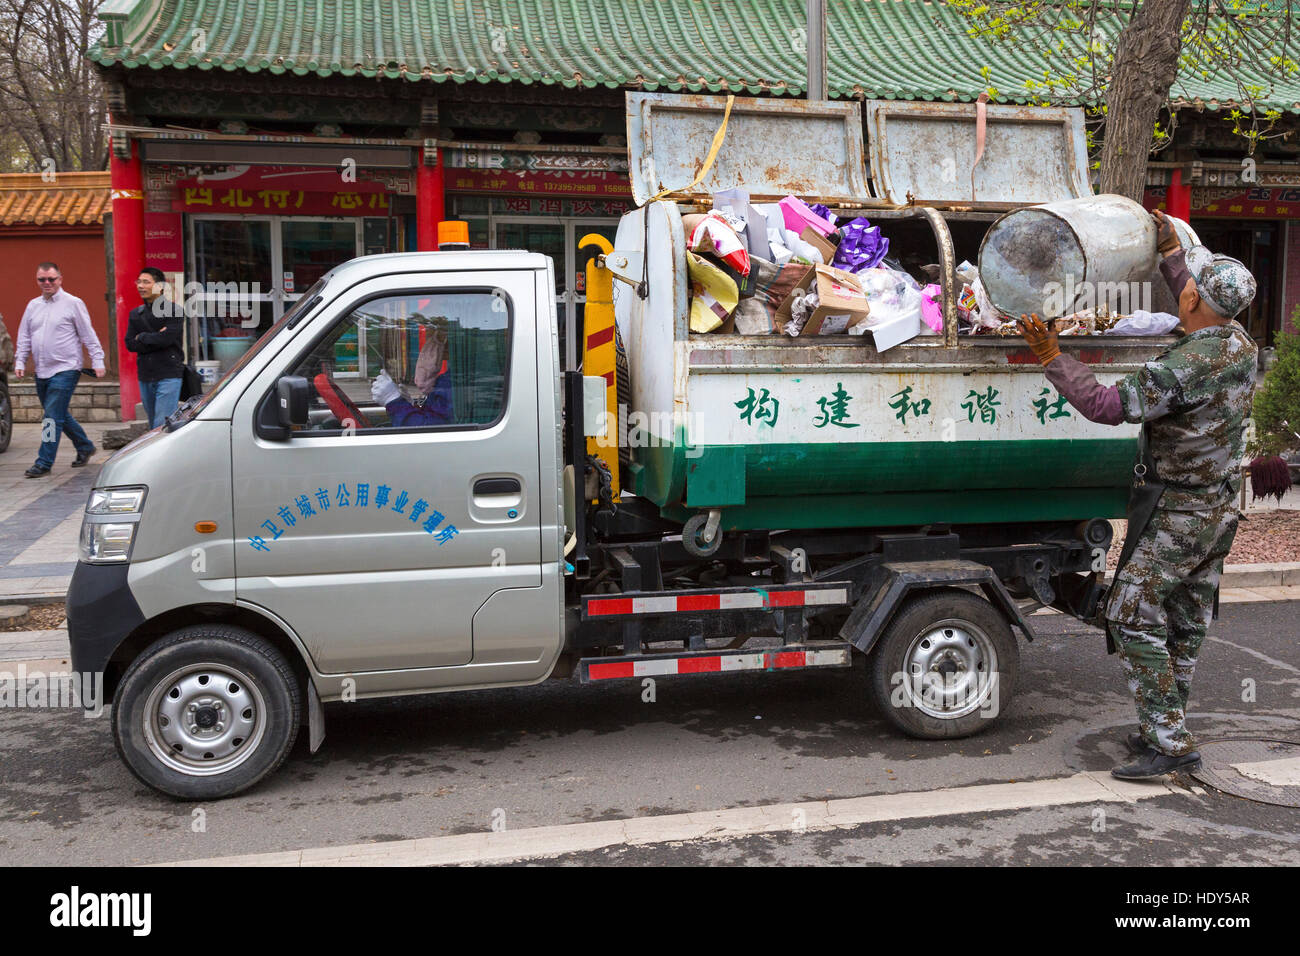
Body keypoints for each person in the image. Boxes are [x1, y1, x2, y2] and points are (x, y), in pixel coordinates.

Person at [1017, 210, 1257, 780]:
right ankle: (1161, 727)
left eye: (1188, 283)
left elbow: (1107, 406)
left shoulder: (1184, 365)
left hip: (1181, 510)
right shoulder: (1239, 342)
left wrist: (1053, 358)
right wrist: (1174, 255)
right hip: (1220, 508)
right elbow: (1198, 301)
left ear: (1198, 300)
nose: (1185, 288)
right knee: (1185, 617)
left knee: (1128, 615)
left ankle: (1171, 743)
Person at [14, 262, 106, 477]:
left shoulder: (73, 303)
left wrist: (98, 360)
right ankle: (84, 446)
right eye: (42, 279)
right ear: (37, 280)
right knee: (57, 414)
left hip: (66, 368)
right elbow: (24, 336)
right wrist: (20, 361)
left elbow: (88, 335)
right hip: (42, 369)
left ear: (60, 279)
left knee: (50, 418)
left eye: (51, 279)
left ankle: (44, 462)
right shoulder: (32, 305)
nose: (47, 283)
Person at [125, 267, 185, 427]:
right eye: (139, 282)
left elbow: (166, 339)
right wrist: (155, 337)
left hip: (168, 374)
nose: (140, 286)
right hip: (145, 374)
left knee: (161, 424)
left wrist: (142, 337)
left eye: (146, 282)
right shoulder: (136, 314)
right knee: (153, 425)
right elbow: (130, 343)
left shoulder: (174, 311)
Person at [370, 326, 454, 427]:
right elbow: (433, 416)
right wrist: (409, 406)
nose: (430, 339)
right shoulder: (450, 377)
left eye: (438, 336)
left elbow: (429, 431)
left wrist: (394, 402)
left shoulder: (453, 382)